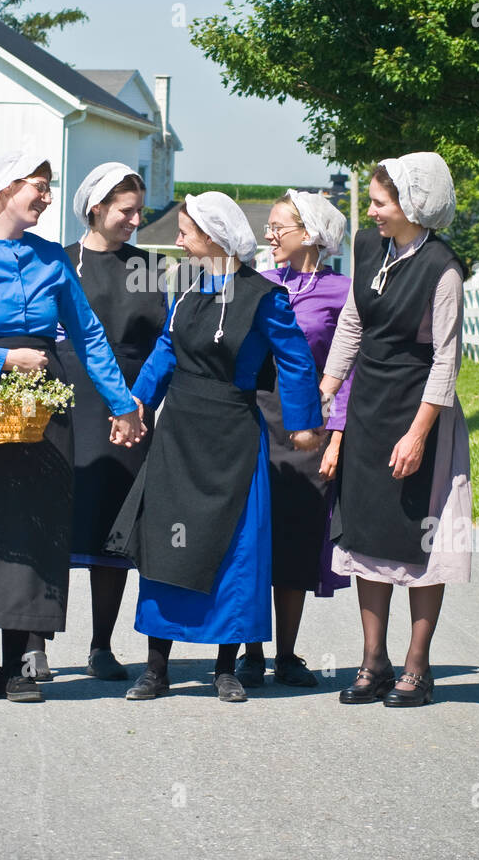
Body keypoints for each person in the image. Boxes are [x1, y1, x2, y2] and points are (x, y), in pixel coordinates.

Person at [0, 144, 143, 704]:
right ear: (4, 191)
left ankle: (16, 664)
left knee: (32, 531)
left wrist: (122, 403)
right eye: (37, 186)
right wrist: (3, 359)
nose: (47, 196)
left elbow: (87, 334)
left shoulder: (50, 259)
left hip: (43, 410)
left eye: (47, 186)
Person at [105, 192, 324, 703]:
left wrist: (303, 423)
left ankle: (226, 666)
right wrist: (137, 405)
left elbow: (294, 360)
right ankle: (156, 668)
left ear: (213, 236)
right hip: (179, 437)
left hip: (233, 438)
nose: (179, 241)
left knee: (234, 551)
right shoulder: (185, 293)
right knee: (167, 546)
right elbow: (165, 353)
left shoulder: (265, 296)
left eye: (186, 232)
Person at [320, 153, 472, 708]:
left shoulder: (444, 269)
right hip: (369, 409)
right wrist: (328, 388)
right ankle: (373, 661)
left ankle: (416, 665)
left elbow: (446, 362)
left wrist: (418, 434)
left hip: (420, 412)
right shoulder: (368, 248)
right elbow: (353, 323)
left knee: (419, 535)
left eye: (382, 204)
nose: (374, 212)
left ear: (412, 205)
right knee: (367, 532)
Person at [37, 162, 166, 682]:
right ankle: (34, 647)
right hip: (65, 401)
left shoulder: (154, 268)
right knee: (52, 524)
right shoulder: (58, 261)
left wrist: (137, 405)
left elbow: (167, 344)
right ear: (95, 207)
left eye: (139, 210)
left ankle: (102, 646)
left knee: (113, 528)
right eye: (126, 210)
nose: (136, 219)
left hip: (128, 408)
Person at [236, 189, 353, 689]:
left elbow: (349, 370)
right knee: (252, 539)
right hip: (256, 422)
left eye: (278, 226)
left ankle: (286, 654)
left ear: (310, 235)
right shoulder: (259, 284)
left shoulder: (344, 291)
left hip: (308, 430)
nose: (268, 234)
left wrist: (337, 436)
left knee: (295, 541)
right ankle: (249, 653)